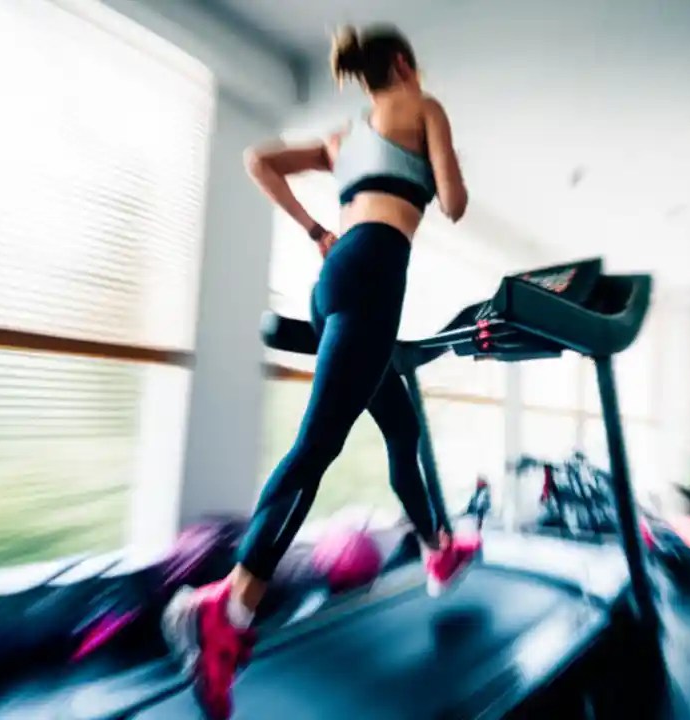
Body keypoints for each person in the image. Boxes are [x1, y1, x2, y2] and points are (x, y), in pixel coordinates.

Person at [161, 23, 477, 719]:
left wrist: (315, 231)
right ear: (403, 63)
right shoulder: (423, 104)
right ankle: (228, 605)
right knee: (318, 445)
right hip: (373, 277)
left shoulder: (343, 135)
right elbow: (453, 205)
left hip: (334, 276)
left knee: (400, 429)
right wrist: (438, 164)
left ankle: (437, 550)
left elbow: (257, 160)